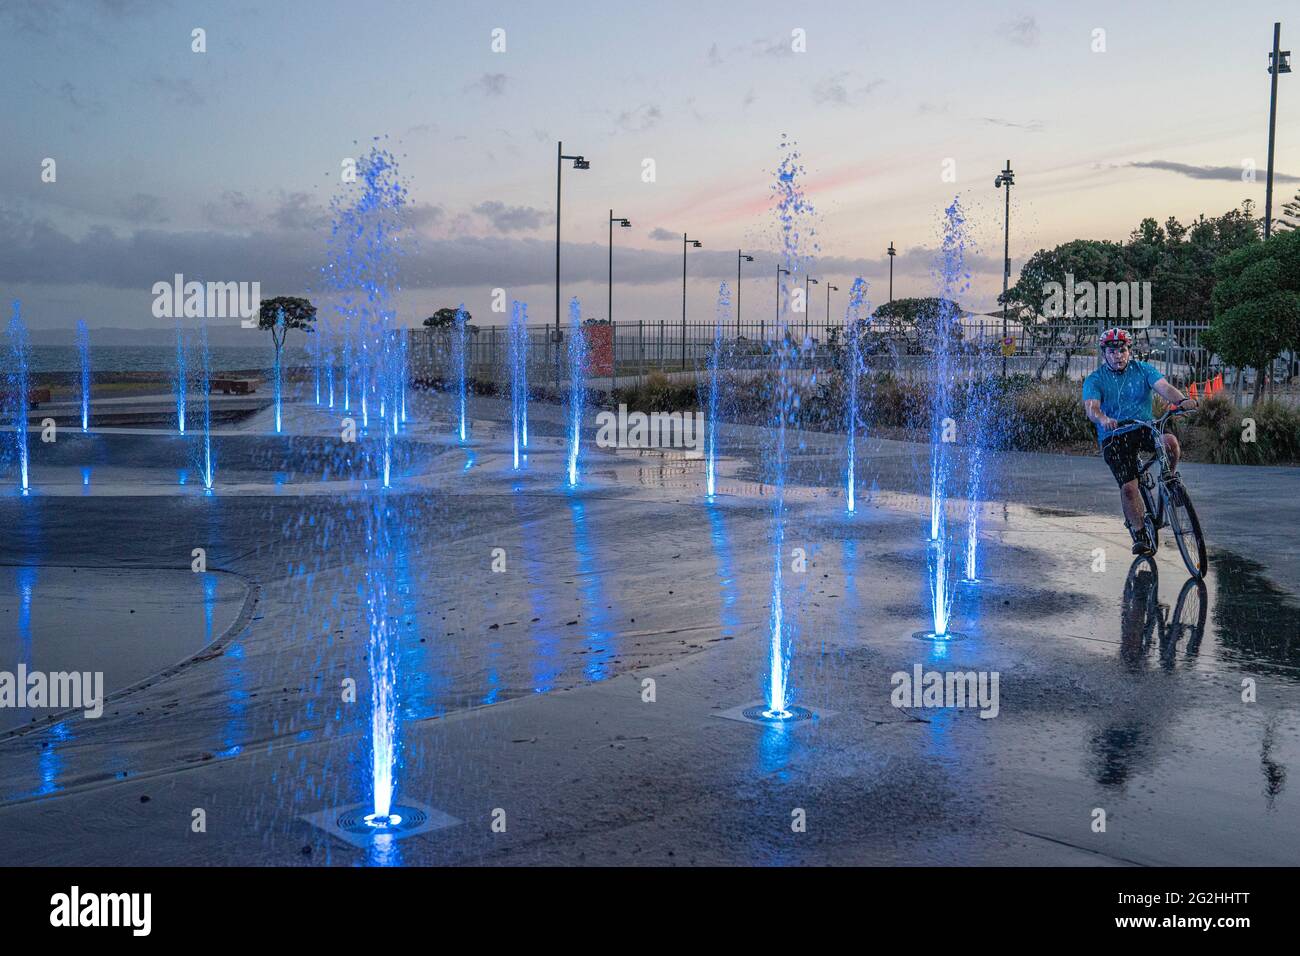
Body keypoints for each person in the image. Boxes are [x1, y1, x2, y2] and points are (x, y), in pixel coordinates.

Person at [1082, 328, 1197, 555]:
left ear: (1129, 351)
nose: (1118, 356)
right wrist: (1104, 418)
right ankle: (1140, 531)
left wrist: (1182, 401)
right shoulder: (1095, 379)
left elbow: (1164, 388)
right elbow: (1092, 408)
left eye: (1122, 350)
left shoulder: (1142, 370)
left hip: (1143, 427)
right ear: (1104, 353)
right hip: (1114, 436)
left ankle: (1169, 480)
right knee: (1129, 489)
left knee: (1170, 442)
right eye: (1112, 351)